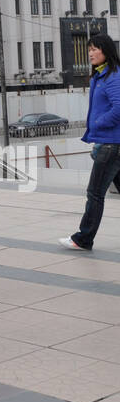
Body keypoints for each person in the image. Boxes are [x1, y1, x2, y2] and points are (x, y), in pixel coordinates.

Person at [59, 32, 120, 251]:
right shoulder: (101, 76)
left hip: (111, 144)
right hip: (110, 142)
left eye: (95, 49)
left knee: (95, 193)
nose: (91, 53)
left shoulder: (113, 76)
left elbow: (119, 108)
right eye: (89, 49)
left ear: (107, 52)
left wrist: (98, 124)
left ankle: (83, 239)